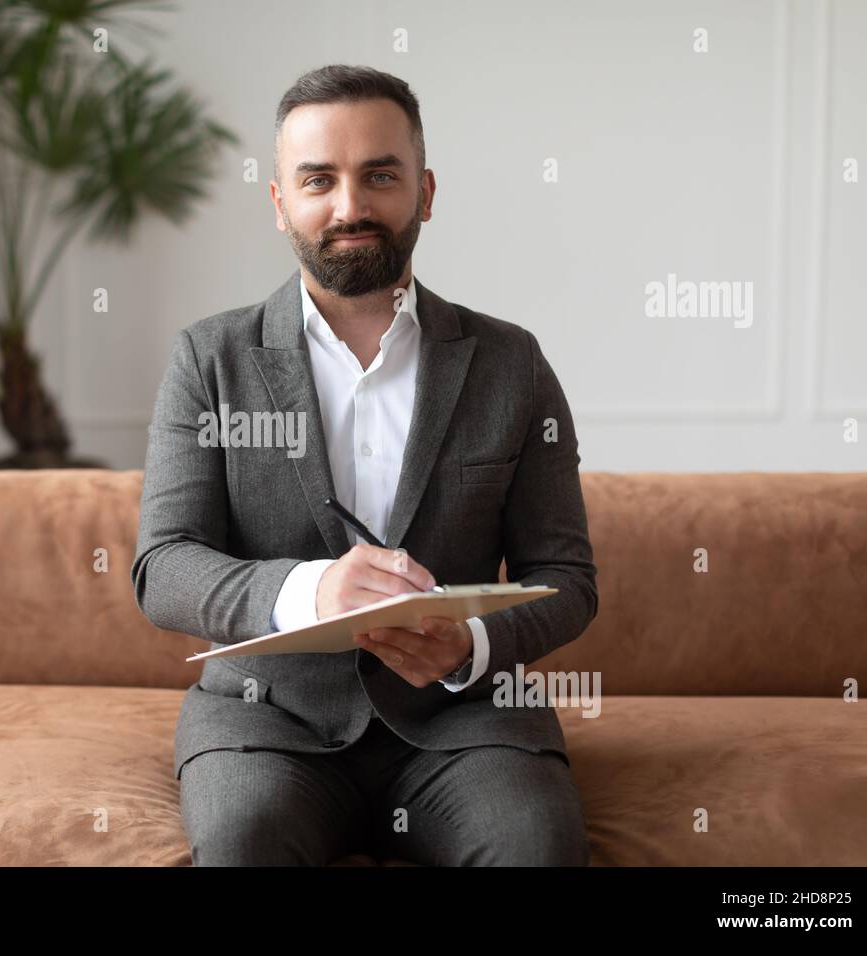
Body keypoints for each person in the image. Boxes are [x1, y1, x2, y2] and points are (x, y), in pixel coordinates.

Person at [131, 64, 598, 866]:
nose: (350, 207)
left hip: (468, 724)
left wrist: (472, 648)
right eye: (319, 180)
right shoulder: (208, 360)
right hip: (266, 722)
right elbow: (162, 567)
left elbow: (567, 576)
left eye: (379, 176)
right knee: (243, 845)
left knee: (537, 847)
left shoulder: (511, 363)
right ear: (281, 204)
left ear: (424, 190)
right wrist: (309, 591)